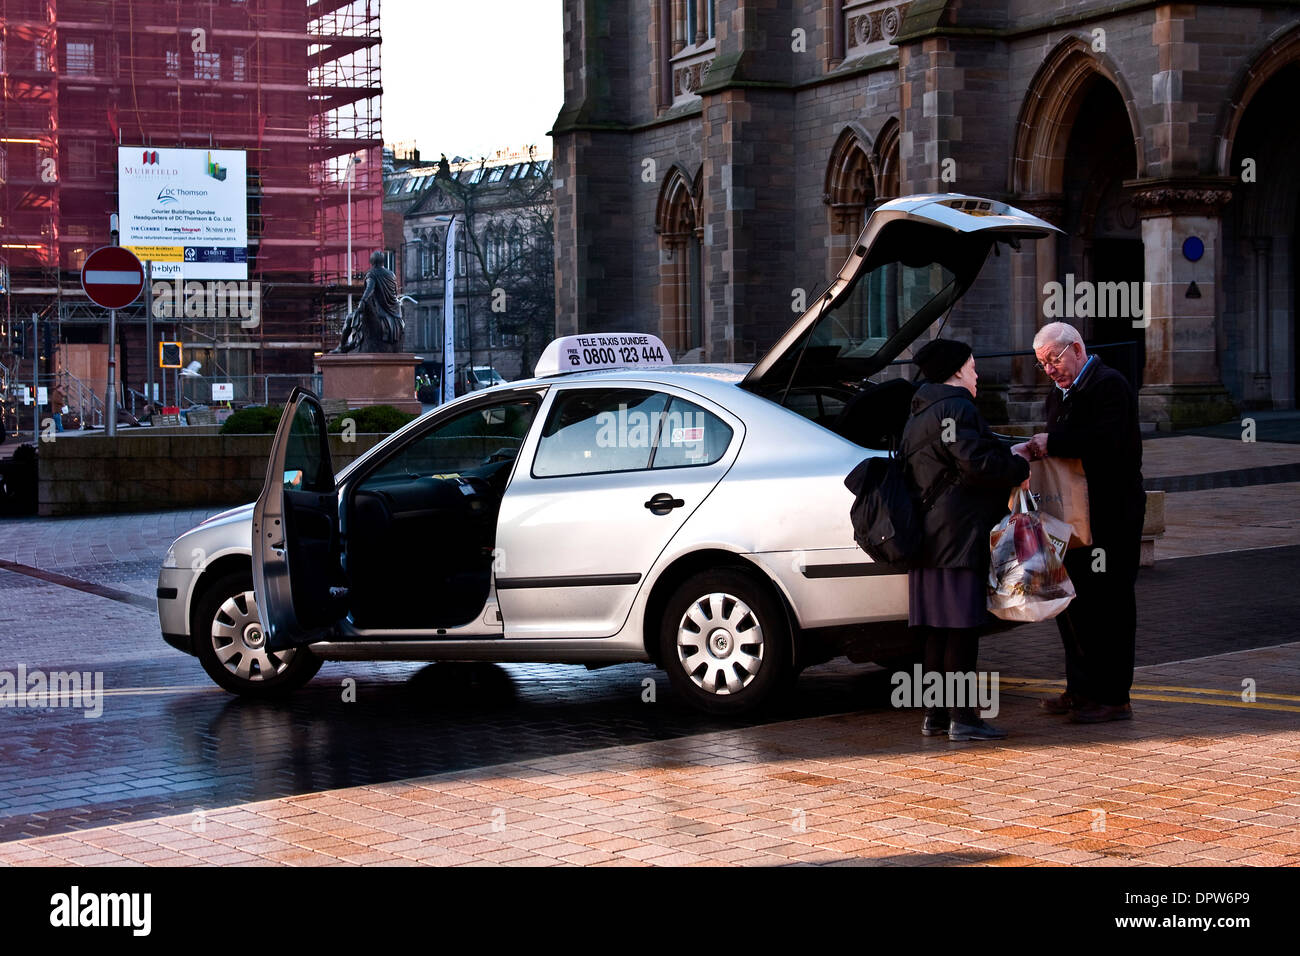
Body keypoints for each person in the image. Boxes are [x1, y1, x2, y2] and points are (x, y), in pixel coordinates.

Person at [900, 338, 1031, 741]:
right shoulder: (956, 407)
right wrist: (1017, 465)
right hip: (958, 536)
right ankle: (964, 719)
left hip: (929, 535)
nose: (977, 375)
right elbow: (975, 463)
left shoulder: (920, 411)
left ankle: (936, 716)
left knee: (938, 631)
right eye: (973, 367)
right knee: (960, 630)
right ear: (957, 371)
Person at [1016, 322, 1145, 724]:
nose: (1050, 370)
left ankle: (1113, 697)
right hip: (1075, 517)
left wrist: (1051, 442)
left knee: (1111, 605)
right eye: (1043, 365)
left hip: (1111, 515)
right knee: (1075, 603)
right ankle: (1080, 690)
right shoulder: (1061, 394)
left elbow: (1107, 442)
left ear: (1076, 348)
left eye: (1054, 359)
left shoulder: (1109, 385)